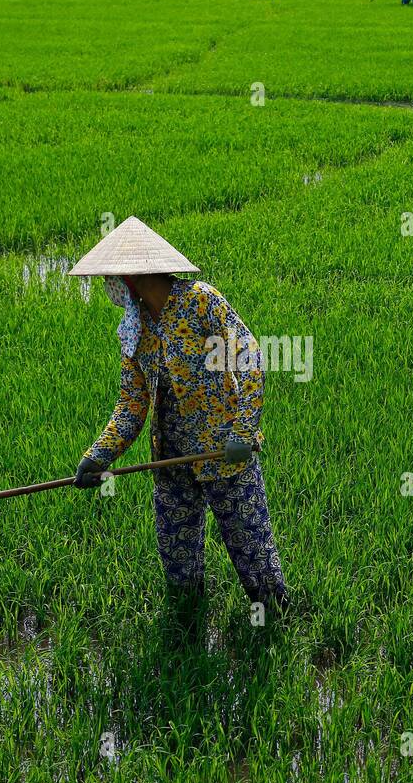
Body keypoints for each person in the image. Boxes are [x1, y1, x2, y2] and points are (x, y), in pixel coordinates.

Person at [68, 217, 289, 617]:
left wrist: (242, 433)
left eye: (112, 279)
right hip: (171, 463)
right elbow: (132, 403)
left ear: (133, 277)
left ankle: (275, 623)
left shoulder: (200, 302)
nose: (109, 289)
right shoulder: (136, 330)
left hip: (226, 457)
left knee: (253, 555)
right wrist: (100, 454)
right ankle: (187, 632)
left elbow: (250, 360)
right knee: (178, 564)